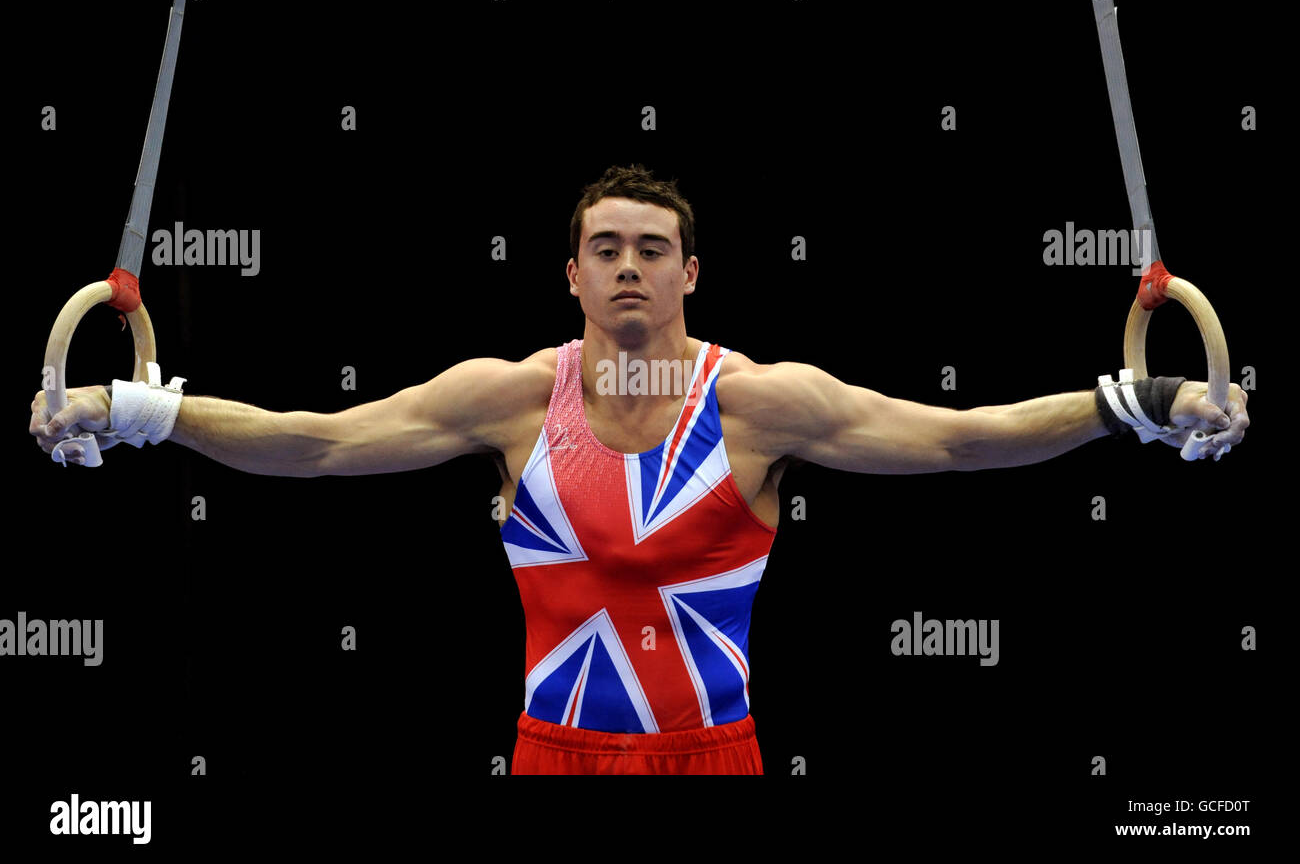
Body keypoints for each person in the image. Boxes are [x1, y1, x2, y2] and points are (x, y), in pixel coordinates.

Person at [30, 164, 1251, 775]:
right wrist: (135, 409)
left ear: (689, 274)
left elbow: (958, 437)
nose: (627, 266)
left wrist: (1136, 402)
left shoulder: (758, 403)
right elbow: (316, 442)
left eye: (651, 249)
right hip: (549, 751)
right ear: (570, 274)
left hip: (713, 753)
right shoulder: (510, 399)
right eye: (602, 248)